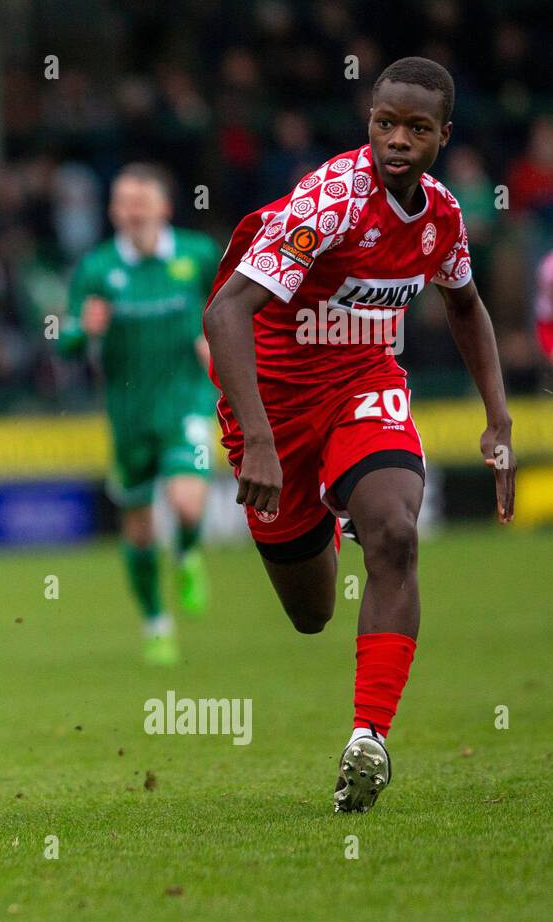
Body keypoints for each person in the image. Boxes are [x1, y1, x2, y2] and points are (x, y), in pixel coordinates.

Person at [202, 57, 514, 813]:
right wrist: (265, 443)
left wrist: (498, 420)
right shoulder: (332, 199)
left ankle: (368, 737)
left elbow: (466, 306)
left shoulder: (440, 215)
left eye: (416, 127)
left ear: (444, 134)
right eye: (385, 123)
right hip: (274, 406)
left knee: (396, 534)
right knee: (311, 614)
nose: (398, 139)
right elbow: (225, 313)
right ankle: (322, 515)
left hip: (364, 384)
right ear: (368, 123)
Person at [60, 164, 222, 664]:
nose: (132, 211)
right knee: (139, 530)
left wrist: (216, 342)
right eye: (123, 202)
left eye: (141, 201)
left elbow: (231, 311)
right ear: (112, 212)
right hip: (128, 415)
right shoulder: (97, 268)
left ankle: (190, 551)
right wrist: (82, 330)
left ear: (164, 208)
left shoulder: (197, 256)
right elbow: (64, 344)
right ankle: (157, 624)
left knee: (189, 504)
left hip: (185, 404)